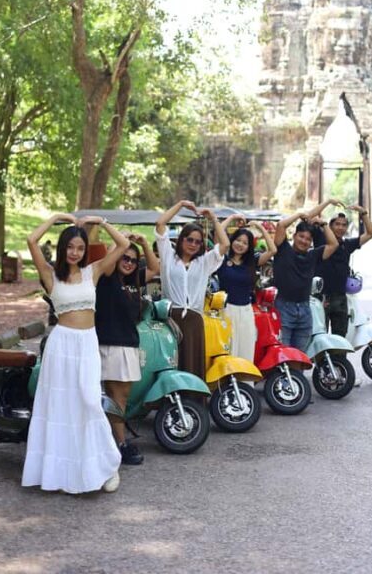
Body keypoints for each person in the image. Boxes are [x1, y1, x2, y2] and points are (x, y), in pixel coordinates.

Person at [22, 213, 128, 494]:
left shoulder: (92, 271)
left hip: (87, 344)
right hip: (62, 345)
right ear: (63, 248)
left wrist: (101, 222)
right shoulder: (50, 274)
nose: (75, 252)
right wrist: (57, 218)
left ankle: (106, 467)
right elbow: (31, 239)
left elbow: (123, 244)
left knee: (90, 402)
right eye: (70, 247)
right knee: (60, 405)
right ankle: (59, 471)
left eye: (80, 248)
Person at [95, 234, 159, 466]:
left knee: (119, 399)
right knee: (115, 399)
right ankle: (120, 444)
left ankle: (112, 442)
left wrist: (143, 244)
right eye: (125, 258)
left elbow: (154, 267)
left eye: (133, 260)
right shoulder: (108, 277)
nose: (129, 262)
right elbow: (110, 258)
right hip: (111, 344)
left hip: (127, 345)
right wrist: (119, 240)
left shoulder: (134, 280)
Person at [155, 199, 230, 378]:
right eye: (189, 239)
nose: (193, 244)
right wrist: (180, 205)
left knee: (193, 364)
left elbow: (225, 245)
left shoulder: (203, 262)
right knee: (172, 364)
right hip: (171, 318)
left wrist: (213, 218)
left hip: (195, 320)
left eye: (197, 242)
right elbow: (160, 224)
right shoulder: (168, 257)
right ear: (181, 240)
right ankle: (172, 404)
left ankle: (193, 404)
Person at [273, 203, 340, 352]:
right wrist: (298, 215)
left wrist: (323, 224)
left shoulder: (313, 255)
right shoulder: (282, 249)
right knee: (283, 353)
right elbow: (281, 226)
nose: (304, 241)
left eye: (308, 239)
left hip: (305, 309)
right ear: (294, 236)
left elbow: (333, 244)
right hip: (284, 307)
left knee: (300, 355)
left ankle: (297, 376)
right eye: (301, 236)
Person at [216, 216, 276, 361]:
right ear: (231, 240)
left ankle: (244, 384)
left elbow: (273, 250)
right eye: (238, 240)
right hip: (226, 310)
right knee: (228, 349)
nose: (240, 245)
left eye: (245, 243)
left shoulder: (252, 262)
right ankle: (227, 383)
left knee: (246, 349)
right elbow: (218, 235)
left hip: (246, 311)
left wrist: (260, 227)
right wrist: (231, 218)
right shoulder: (222, 259)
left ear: (249, 246)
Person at [316, 204, 372, 337]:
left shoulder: (347, 245)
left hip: (340, 297)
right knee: (320, 338)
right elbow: (310, 216)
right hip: (321, 297)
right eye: (337, 224)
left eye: (344, 225)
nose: (340, 227)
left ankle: (339, 359)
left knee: (341, 338)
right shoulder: (320, 240)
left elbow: (371, 233)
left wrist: (363, 212)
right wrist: (328, 202)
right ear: (330, 225)